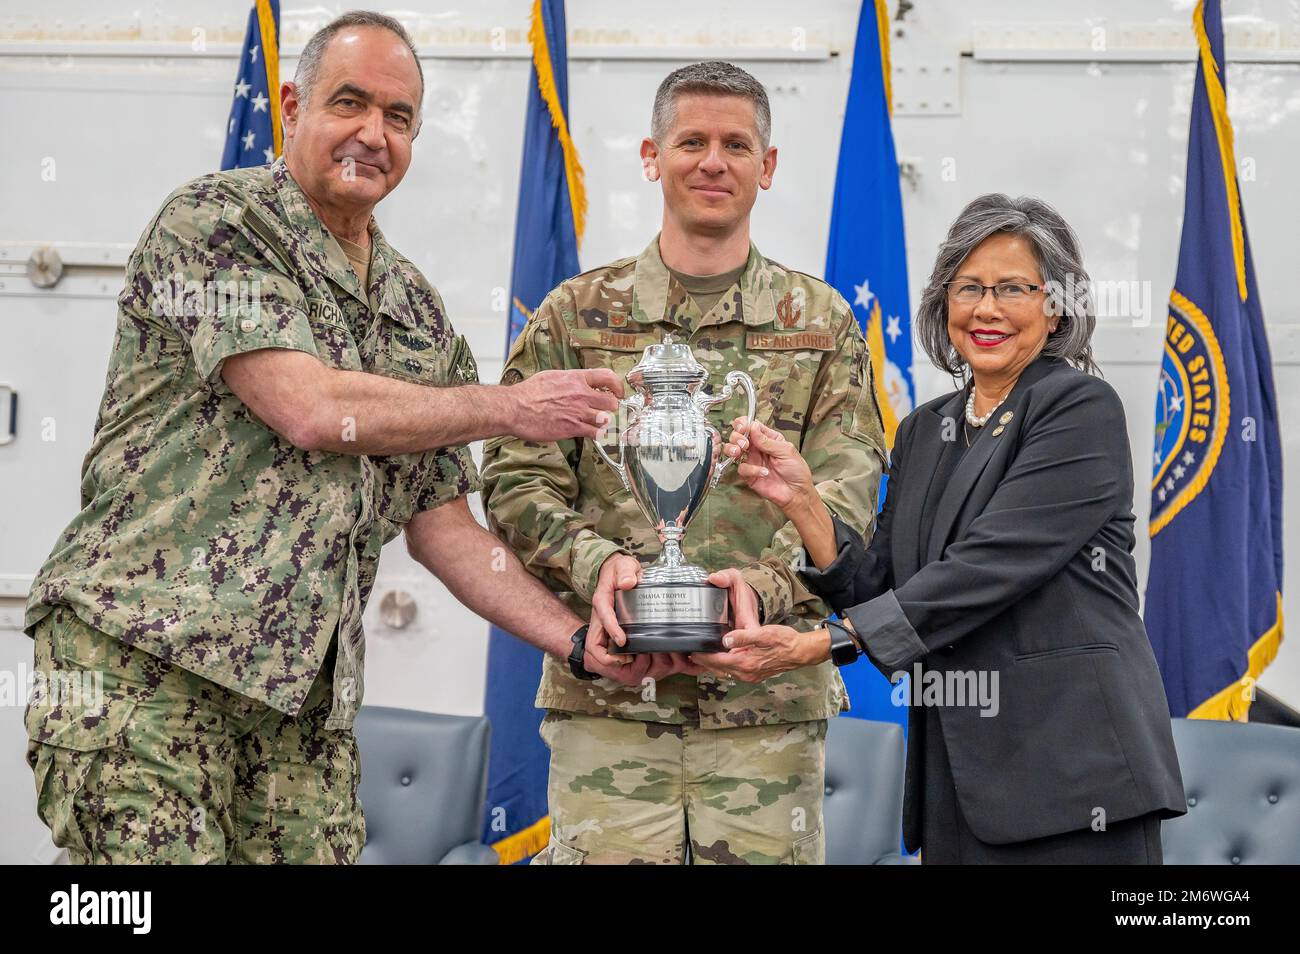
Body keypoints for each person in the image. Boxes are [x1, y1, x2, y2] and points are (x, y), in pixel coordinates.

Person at [23, 11, 630, 864]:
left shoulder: (415, 311)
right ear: (290, 107)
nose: (372, 135)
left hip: (302, 710)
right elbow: (308, 408)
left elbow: (445, 530)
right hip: (143, 669)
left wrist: (574, 639)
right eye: (350, 104)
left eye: (399, 117)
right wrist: (510, 406)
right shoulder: (213, 224)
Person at [482, 61, 887, 865]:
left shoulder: (823, 322)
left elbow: (848, 493)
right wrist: (601, 568)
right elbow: (515, 476)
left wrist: (762, 590)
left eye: (736, 144)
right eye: (691, 141)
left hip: (763, 706)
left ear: (766, 167)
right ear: (650, 155)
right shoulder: (573, 315)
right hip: (611, 704)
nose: (712, 161)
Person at [704, 194, 1187, 863]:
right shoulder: (925, 429)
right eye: (969, 288)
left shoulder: (1079, 407)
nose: (986, 309)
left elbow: (988, 569)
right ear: (944, 304)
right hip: (957, 791)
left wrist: (823, 642)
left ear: (1056, 308)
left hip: (1076, 782)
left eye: (1014, 288)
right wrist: (804, 502)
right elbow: (885, 583)